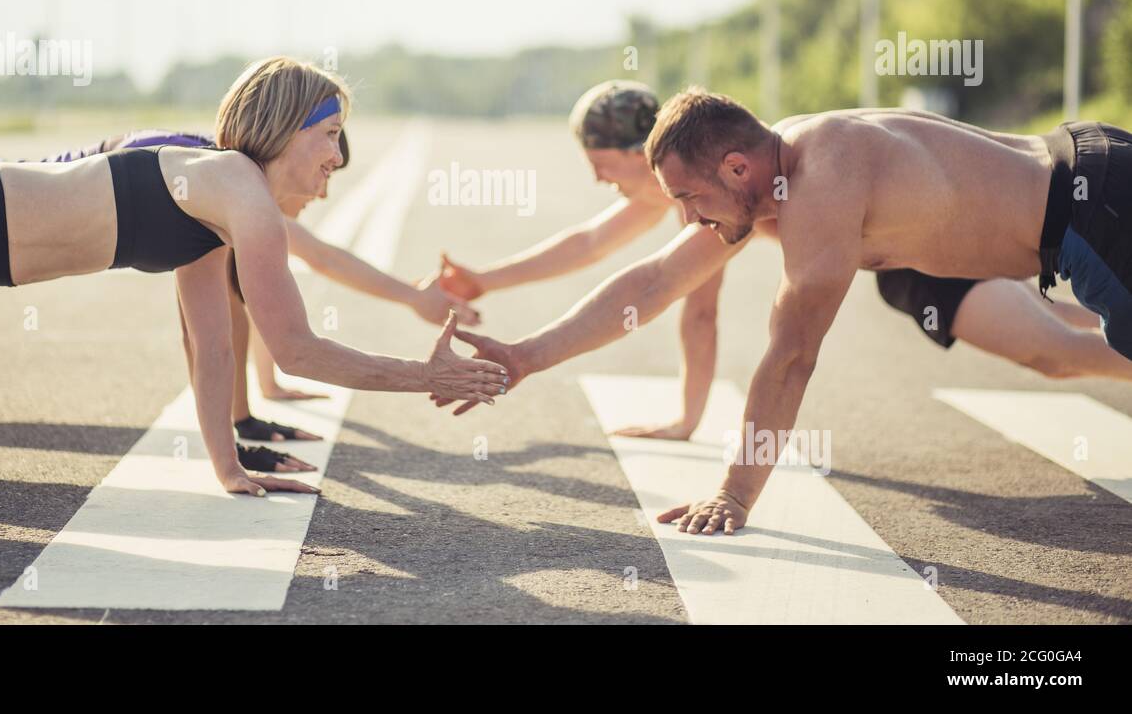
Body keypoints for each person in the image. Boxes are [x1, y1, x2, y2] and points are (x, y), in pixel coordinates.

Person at [446, 90, 1132, 534]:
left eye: (689, 198)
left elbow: (793, 353)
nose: (685, 218)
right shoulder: (780, 168)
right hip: (1089, 171)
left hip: (1096, 215)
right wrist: (527, 354)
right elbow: (652, 284)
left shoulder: (820, 182)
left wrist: (735, 495)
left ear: (737, 169)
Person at [0, 56, 509, 497]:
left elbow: (208, 345)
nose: (338, 155)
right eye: (329, 134)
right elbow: (298, 346)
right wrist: (428, 376)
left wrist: (227, 466)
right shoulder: (235, 189)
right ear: (281, 128)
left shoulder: (224, 209)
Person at [0, 126, 479, 475]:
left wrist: (258, 399)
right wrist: (233, 437)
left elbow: (254, 295)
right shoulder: (216, 175)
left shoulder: (230, 176)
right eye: (323, 175)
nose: (322, 196)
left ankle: (244, 413)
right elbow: (211, 327)